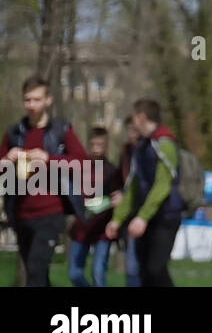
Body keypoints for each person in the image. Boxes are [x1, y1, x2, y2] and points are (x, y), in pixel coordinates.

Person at [2, 75, 90, 287]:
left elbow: (82, 162)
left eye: (37, 99)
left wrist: (48, 159)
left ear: (48, 100)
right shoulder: (14, 133)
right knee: (37, 274)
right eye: (27, 100)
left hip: (51, 212)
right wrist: (7, 159)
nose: (32, 105)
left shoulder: (61, 130)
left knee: (36, 270)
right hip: (21, 213)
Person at [106, 99, 184, 287]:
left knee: (156, 269)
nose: (133, 123)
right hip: (145, 218)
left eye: (134, 117)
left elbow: (162, 185)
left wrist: (142, 217)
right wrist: (117, 218)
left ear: (141, 117)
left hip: (165, 217)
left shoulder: (164, 144)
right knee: (144, 274)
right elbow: (133, 187)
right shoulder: (141, 147)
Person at [67, 126, 123, 287]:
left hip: (103, 229)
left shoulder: (112, 171)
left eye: (100, 145)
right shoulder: (79, 168)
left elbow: (117, 198)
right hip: (82, 227)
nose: (96, 148)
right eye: (93, 144)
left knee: (98, 273)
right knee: (74, 273)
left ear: (106, 146)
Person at [117, 115, 142, 287]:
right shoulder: (126, 151)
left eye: (134, 130)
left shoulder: (149, 150)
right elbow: (122, 180)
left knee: (139, 267)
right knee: (132, 266)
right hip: (129, 214)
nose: (131, 135)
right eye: (129, 131)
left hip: (143, 213)